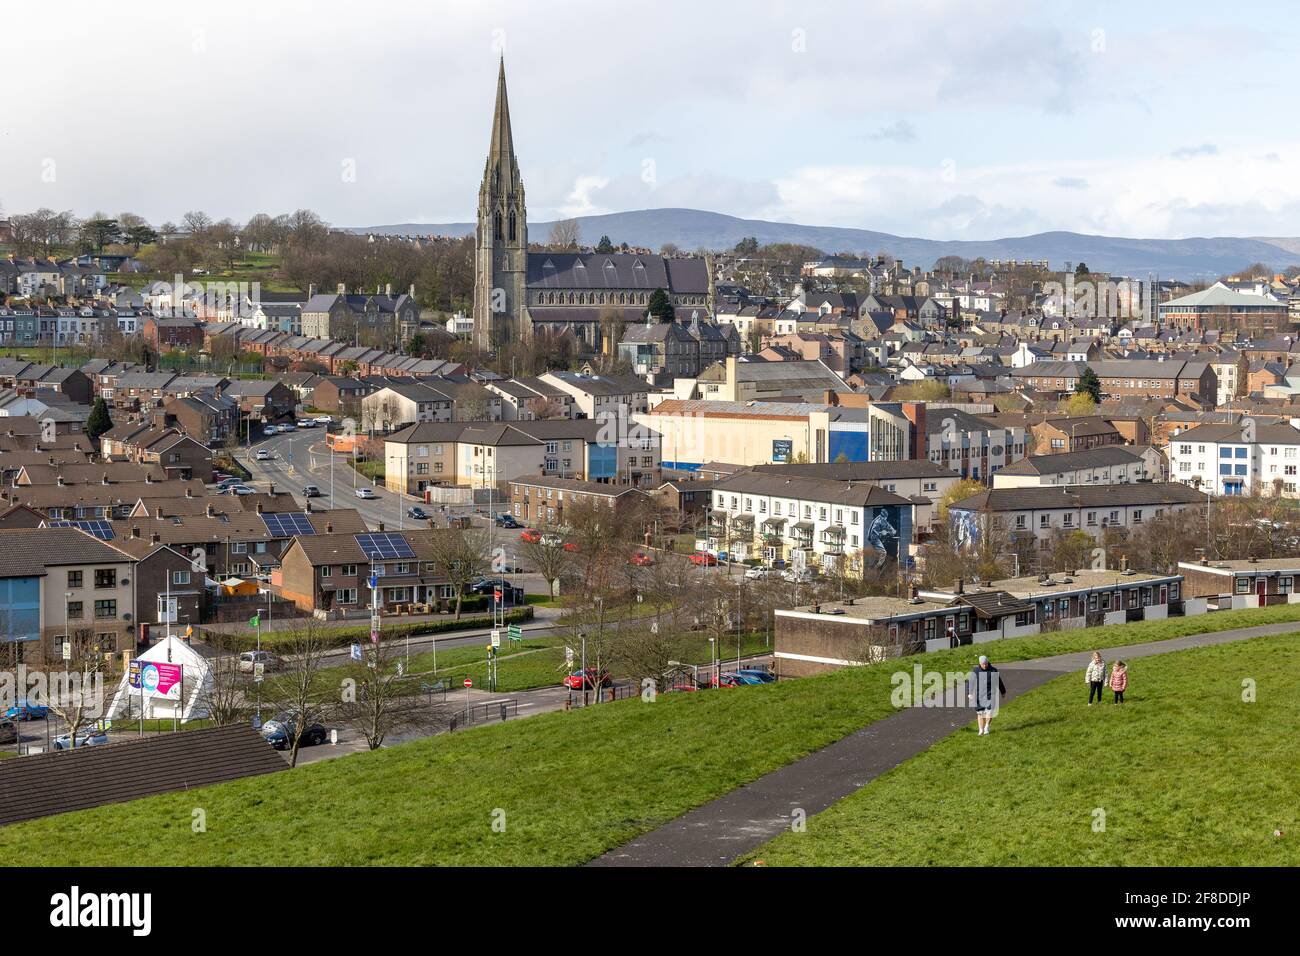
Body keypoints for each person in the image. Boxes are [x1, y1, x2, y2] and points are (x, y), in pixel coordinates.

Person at [968, 655, 1007, 735]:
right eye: (983, 664)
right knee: (980, 713)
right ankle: (981, 730)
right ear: (979, 663)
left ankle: (987, 727)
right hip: (979, 695)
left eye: (985, 663)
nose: (984, 665)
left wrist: (1003, 692)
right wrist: (970, 693)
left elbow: (999, 682)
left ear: (988, 662)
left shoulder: (993, 670)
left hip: (990, 694)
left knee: (989, 712)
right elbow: (971, 682)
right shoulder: (975, 671)